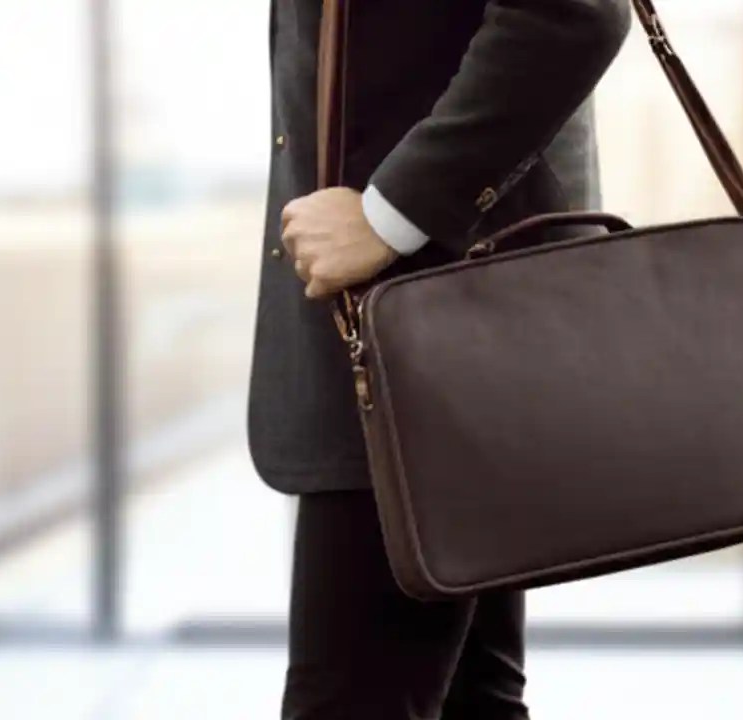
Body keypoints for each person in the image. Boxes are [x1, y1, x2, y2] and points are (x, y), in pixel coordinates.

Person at [248, 1, 631, 716]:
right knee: (469, 699)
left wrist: (388, 215)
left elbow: (572, 15)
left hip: (429, 335)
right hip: (436, 325)